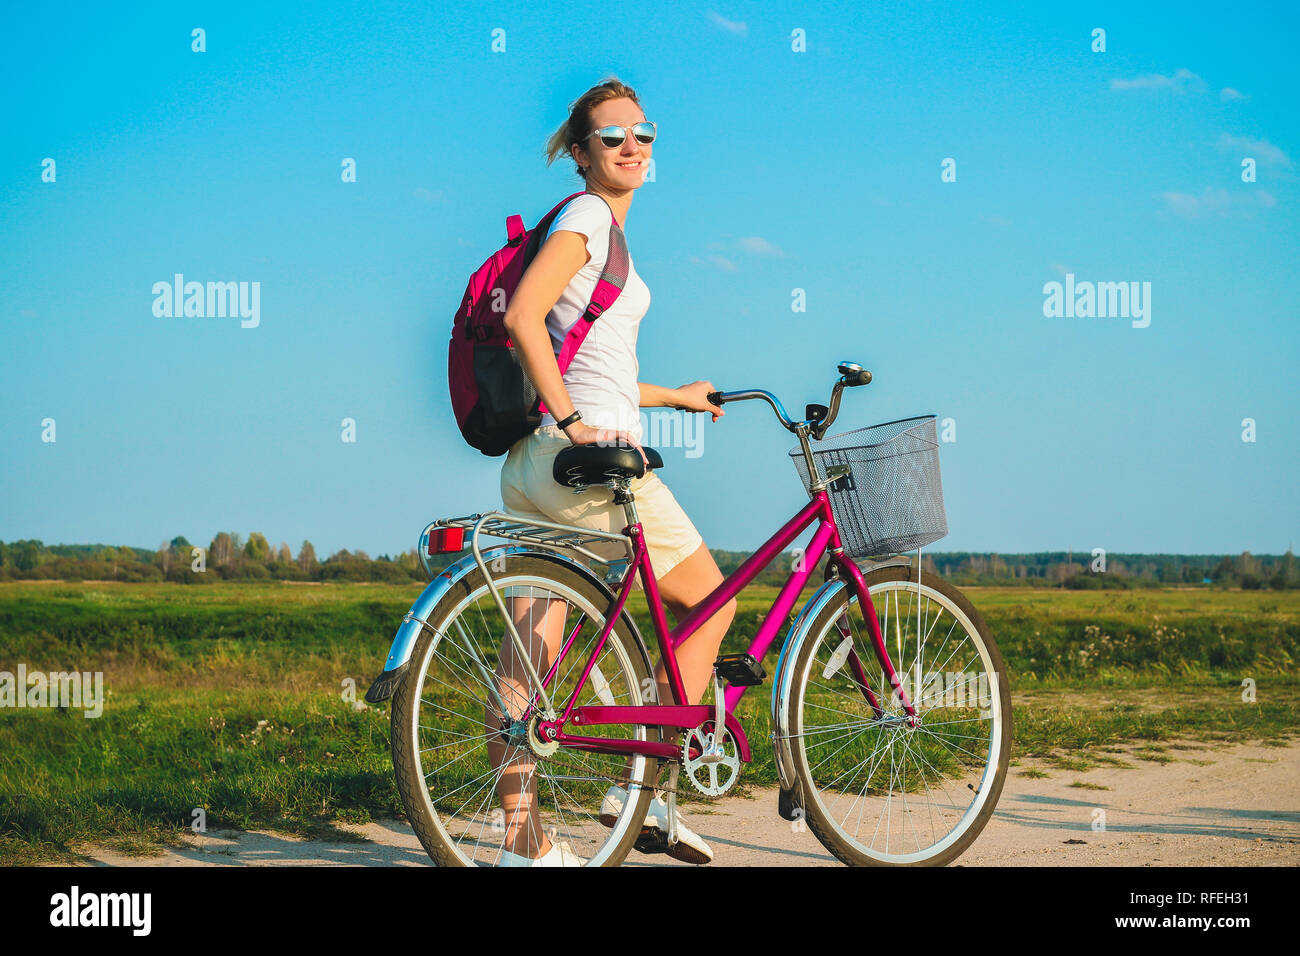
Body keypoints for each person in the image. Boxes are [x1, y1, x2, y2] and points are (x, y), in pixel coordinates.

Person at [489, 77, 737, 866]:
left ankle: (524, 846)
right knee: (711, 599)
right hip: (589, 468)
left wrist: (676, 396)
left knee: (531, 661)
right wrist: (572, 424)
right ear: (582, 153)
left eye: (644, 133)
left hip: (536, 465)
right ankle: (646, 791)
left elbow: (595, 368)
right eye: (612, 137)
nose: (632, 146)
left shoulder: (595, 228)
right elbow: (524, 316)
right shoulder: (591, 218)